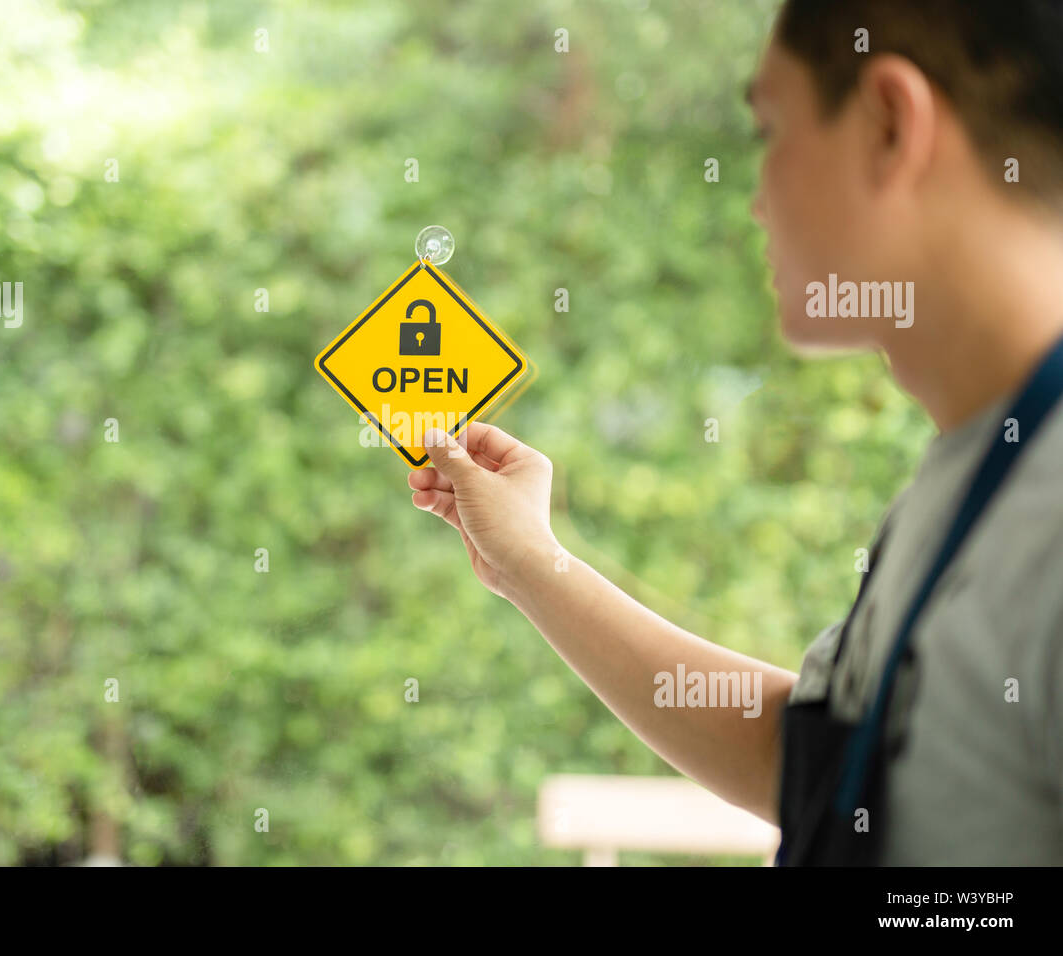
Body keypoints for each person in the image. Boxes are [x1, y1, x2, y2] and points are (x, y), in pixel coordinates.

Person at [410, 0, 1063, 865]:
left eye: (769, 131)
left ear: (888, 125)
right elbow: (810, 766)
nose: (756, 201)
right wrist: (532, 563)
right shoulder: (969, 478)